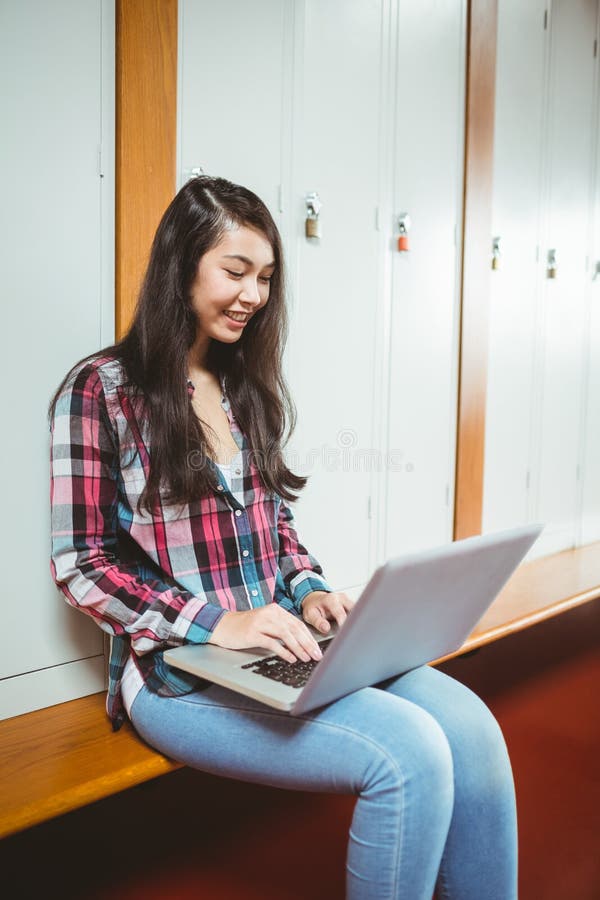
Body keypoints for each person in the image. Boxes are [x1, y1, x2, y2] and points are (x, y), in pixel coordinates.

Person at [49, 175, 518, 899]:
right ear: (181, 267)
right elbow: (80, 564)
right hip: (179, 675)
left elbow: (274, 525)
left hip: (284, 645)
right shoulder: (101, 389)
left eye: (265, 277)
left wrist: (309, 588)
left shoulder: (242, 385)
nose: (253, 295)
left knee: (473, 730)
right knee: (410, 755)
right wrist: (219, 622)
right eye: (235, 272)